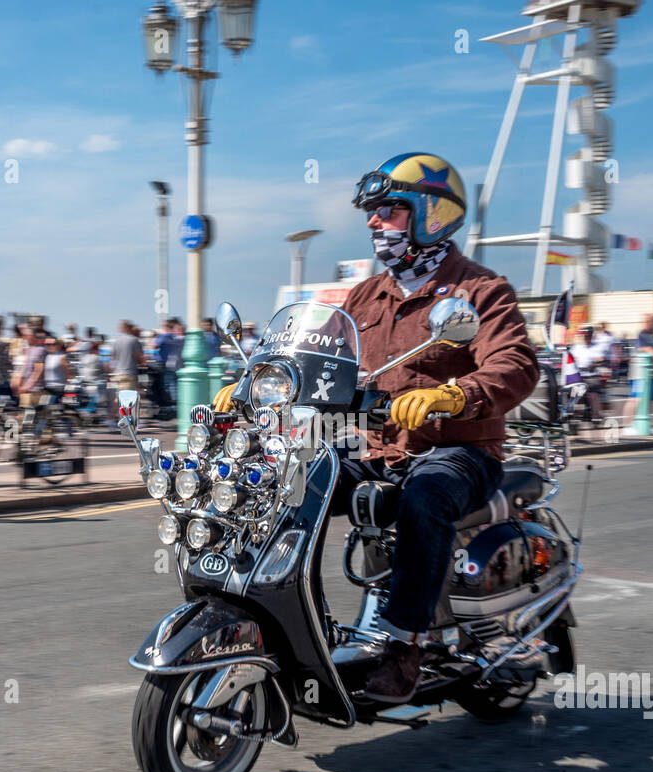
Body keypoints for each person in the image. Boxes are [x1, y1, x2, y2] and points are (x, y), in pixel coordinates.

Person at [215, 150, 538, 702]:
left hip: (456, 452)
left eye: (388, 209)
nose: (372, 222)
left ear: (429, 213)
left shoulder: (481, 291)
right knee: (286, 483)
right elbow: (314, 362)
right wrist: (251, 388)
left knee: (425, 494)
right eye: (373, 211)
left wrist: (453, 395)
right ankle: (295, 627)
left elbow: (516, 364)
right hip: (377, 447)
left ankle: (402, 646)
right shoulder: (365, 296)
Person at [622, 314, 653, 431]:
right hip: (640, 371)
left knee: (650, 399)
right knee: (635, 398)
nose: (649, 323)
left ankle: (648, 423)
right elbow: (644, 348)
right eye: (647, 321)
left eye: (651, 321)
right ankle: (628, 425)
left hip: (652, 372)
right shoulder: (642, 334)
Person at [110, 319, 142, 399]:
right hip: (129, 374)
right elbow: (140, 357)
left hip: (118, 374)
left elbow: (113, 358)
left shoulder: (116, 340)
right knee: (129, 400)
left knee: (119, 398)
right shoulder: (134, 340)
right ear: (129, 328)